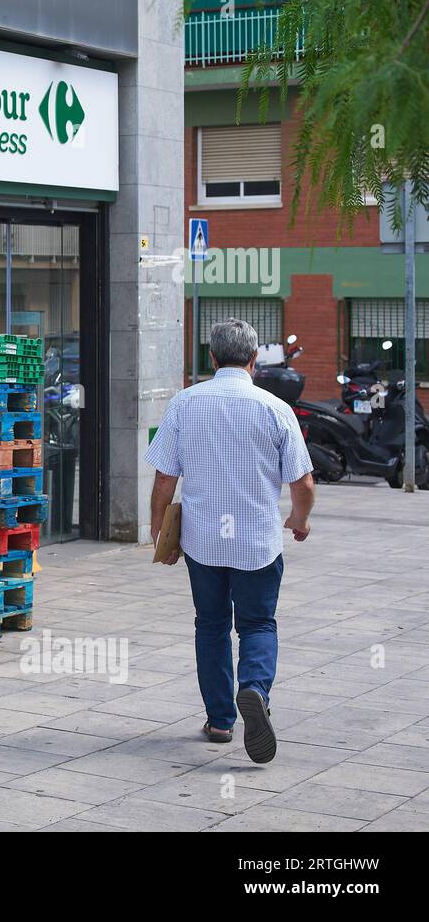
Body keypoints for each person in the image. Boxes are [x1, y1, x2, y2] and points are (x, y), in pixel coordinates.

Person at [145, 319, 315, 764]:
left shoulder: (186, 403)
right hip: (258, 541)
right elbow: (304, 483)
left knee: (212, 625)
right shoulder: (276, 408)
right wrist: (299, 520)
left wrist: (158, 529)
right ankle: (254, 689)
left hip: (203, 542)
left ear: (212, 358)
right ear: (255, 360)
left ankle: (220, 720)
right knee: (258, 625)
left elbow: (165, 477)